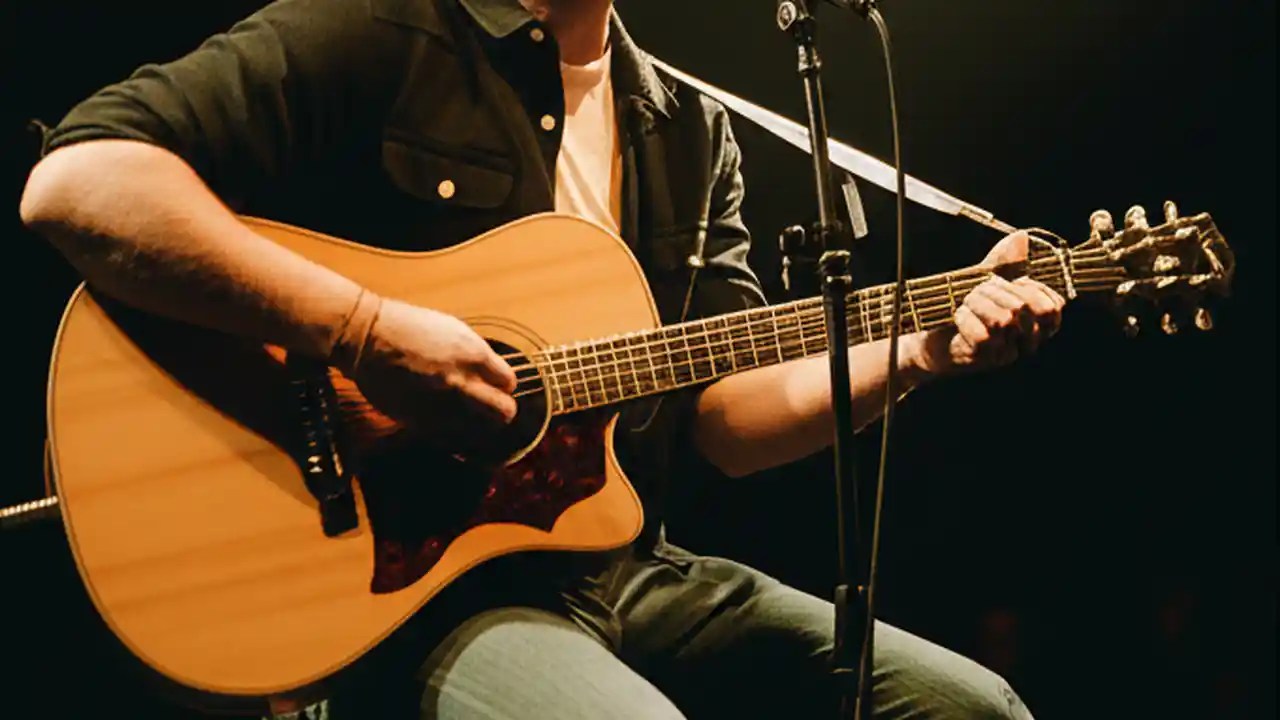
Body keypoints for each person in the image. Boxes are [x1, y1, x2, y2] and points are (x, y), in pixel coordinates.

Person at [20, 1, 1064, 717]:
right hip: (406, 591)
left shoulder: (690, 129)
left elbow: (723, 421)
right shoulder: (377, 30)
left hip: (623, 565)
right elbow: (80, 185)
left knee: (966, 705)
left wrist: (918, 352)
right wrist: (365, 335)